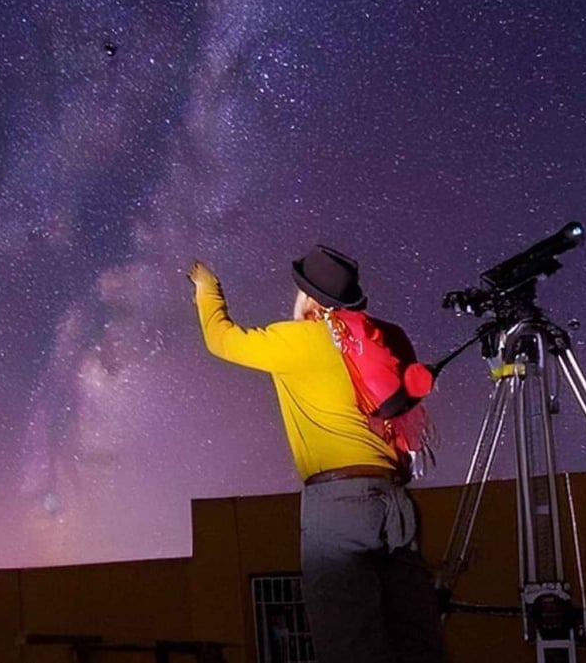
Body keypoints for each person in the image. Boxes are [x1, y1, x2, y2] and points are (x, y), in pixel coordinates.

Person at [189, 247, 445, 663]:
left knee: (349, 641)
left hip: (338, 504)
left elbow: (221, 339)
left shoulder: (297, 342)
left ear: (307, 297)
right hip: (396, 503)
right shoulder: (389, 337)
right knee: (416, 638)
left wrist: (207, 287)